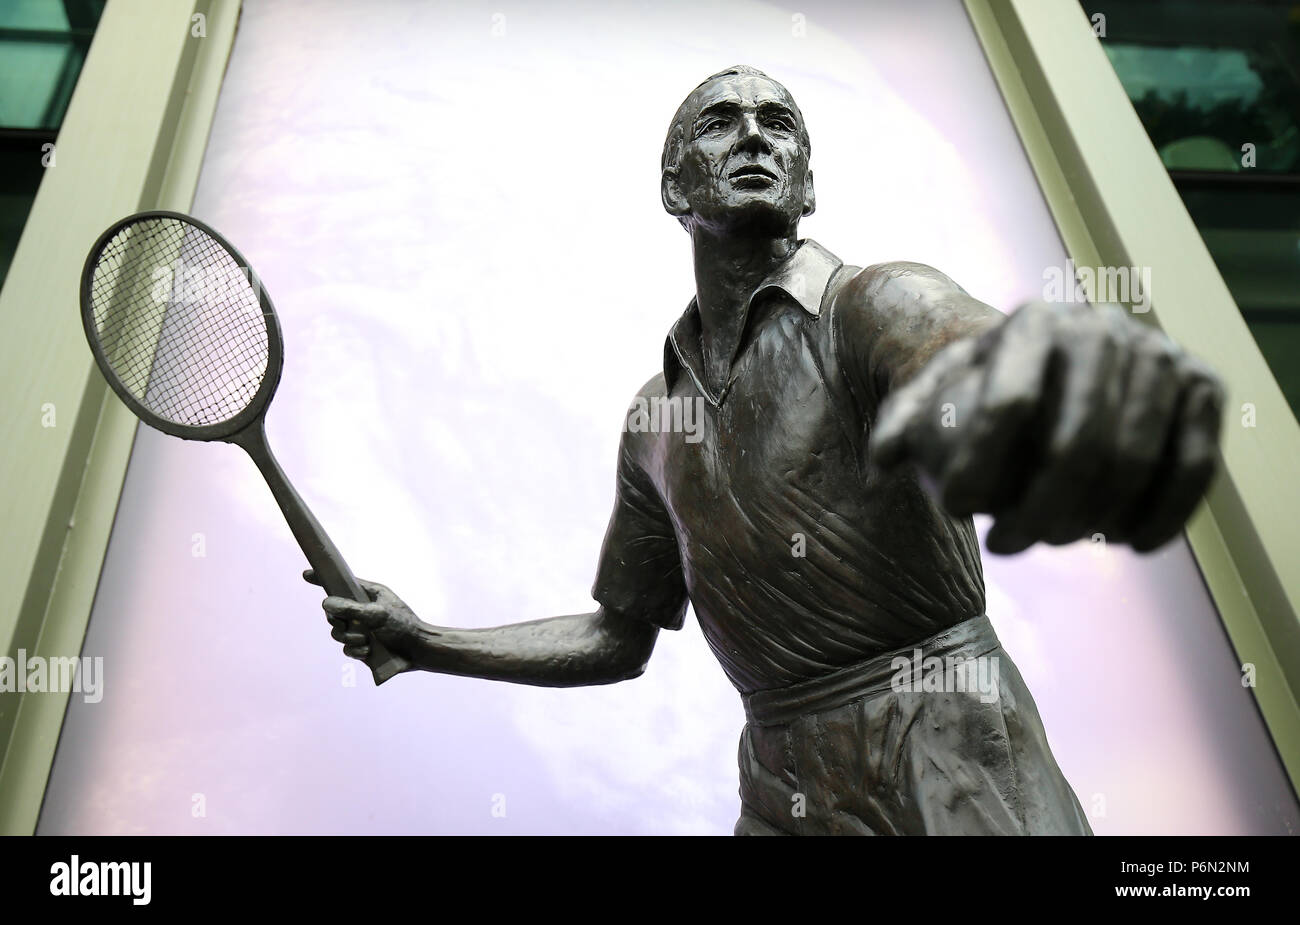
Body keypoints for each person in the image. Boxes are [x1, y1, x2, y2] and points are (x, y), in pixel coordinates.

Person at [306, 66, 1223, 835]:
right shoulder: (652, 426)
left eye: (779, 123)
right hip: (781, 774)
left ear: (808, 185)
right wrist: (427, 641)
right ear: (675, 189)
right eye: (721, 123)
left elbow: (967, 351)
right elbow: (618, 637)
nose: (755, 136)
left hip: (950, 737)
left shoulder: (868, 304)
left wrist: (1058, 380)